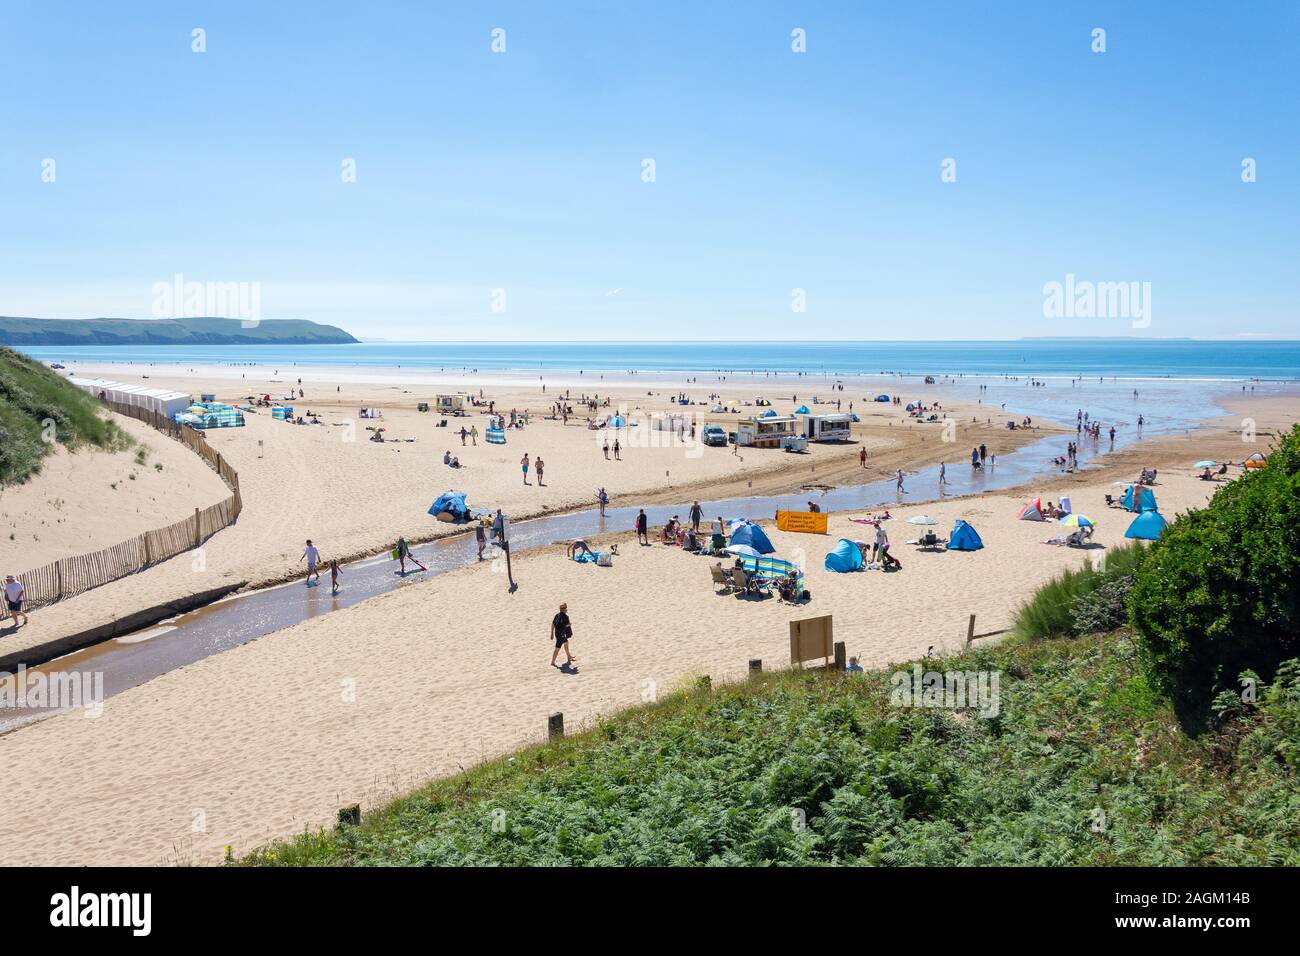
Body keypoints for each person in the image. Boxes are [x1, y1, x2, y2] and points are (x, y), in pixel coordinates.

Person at [550, 603, 576, 668]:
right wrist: (569, 625)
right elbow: (565, 626)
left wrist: (552, 633)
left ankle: (568, 656)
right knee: (557, 648)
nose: (566, 610)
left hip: (557, 633)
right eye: (566, 608)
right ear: (564, 609)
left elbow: (553, 624)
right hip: (562, 635)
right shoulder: (565, 617)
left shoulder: (557, 615)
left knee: (566, 643)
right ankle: (552, 662)